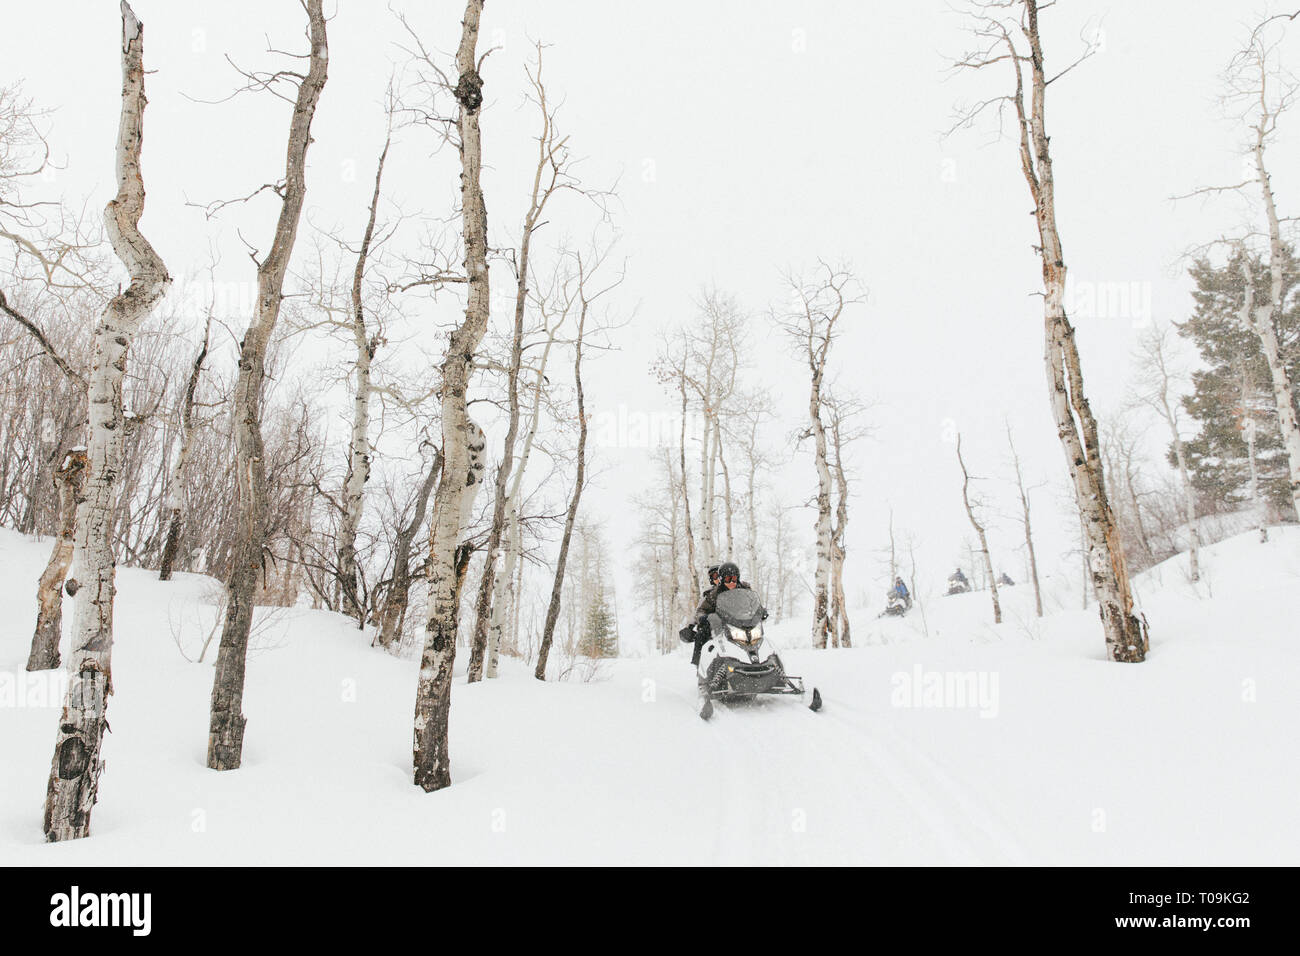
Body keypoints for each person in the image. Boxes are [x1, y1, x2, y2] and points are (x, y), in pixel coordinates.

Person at [686, 561, 760, 665]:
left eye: (734, 579)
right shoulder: (713, 594)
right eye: (727, 579)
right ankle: (701, 663)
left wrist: (760, 611)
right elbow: (701, 610)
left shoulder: (745, 588)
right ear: (722, 579)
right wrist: (704, 617)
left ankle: (767, 663)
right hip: (722, 624)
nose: (731, 582)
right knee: (703, 633)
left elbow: (753, 602)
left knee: (759, 638)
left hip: (744, 622)